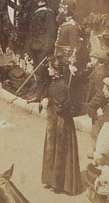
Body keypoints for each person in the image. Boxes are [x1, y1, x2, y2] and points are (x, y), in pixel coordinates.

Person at [41, 65, 84, 194]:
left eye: (50, 68)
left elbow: (62, 107)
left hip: (61, 122)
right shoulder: (55, 82)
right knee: (52, 149)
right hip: (54, 121)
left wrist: (50, 103)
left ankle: (59, 183)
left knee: (60, 150)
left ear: (57, 70)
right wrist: (46, 100)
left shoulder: (62, 85)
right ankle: (51, 180)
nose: (48, 70)